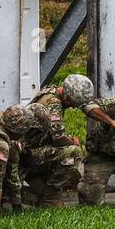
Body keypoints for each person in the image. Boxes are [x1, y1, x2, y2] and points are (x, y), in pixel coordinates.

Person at [23, 73, 93, 205]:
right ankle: (50, 196)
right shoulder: (53, 103)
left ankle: (46, 188)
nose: (72, 107)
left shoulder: (50, 92)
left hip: (32, 149)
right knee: (74, 152)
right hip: (29, 154)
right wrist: (73, 141)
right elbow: (58, 136)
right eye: (72, 103)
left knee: (72, 171)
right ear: (67, 96)